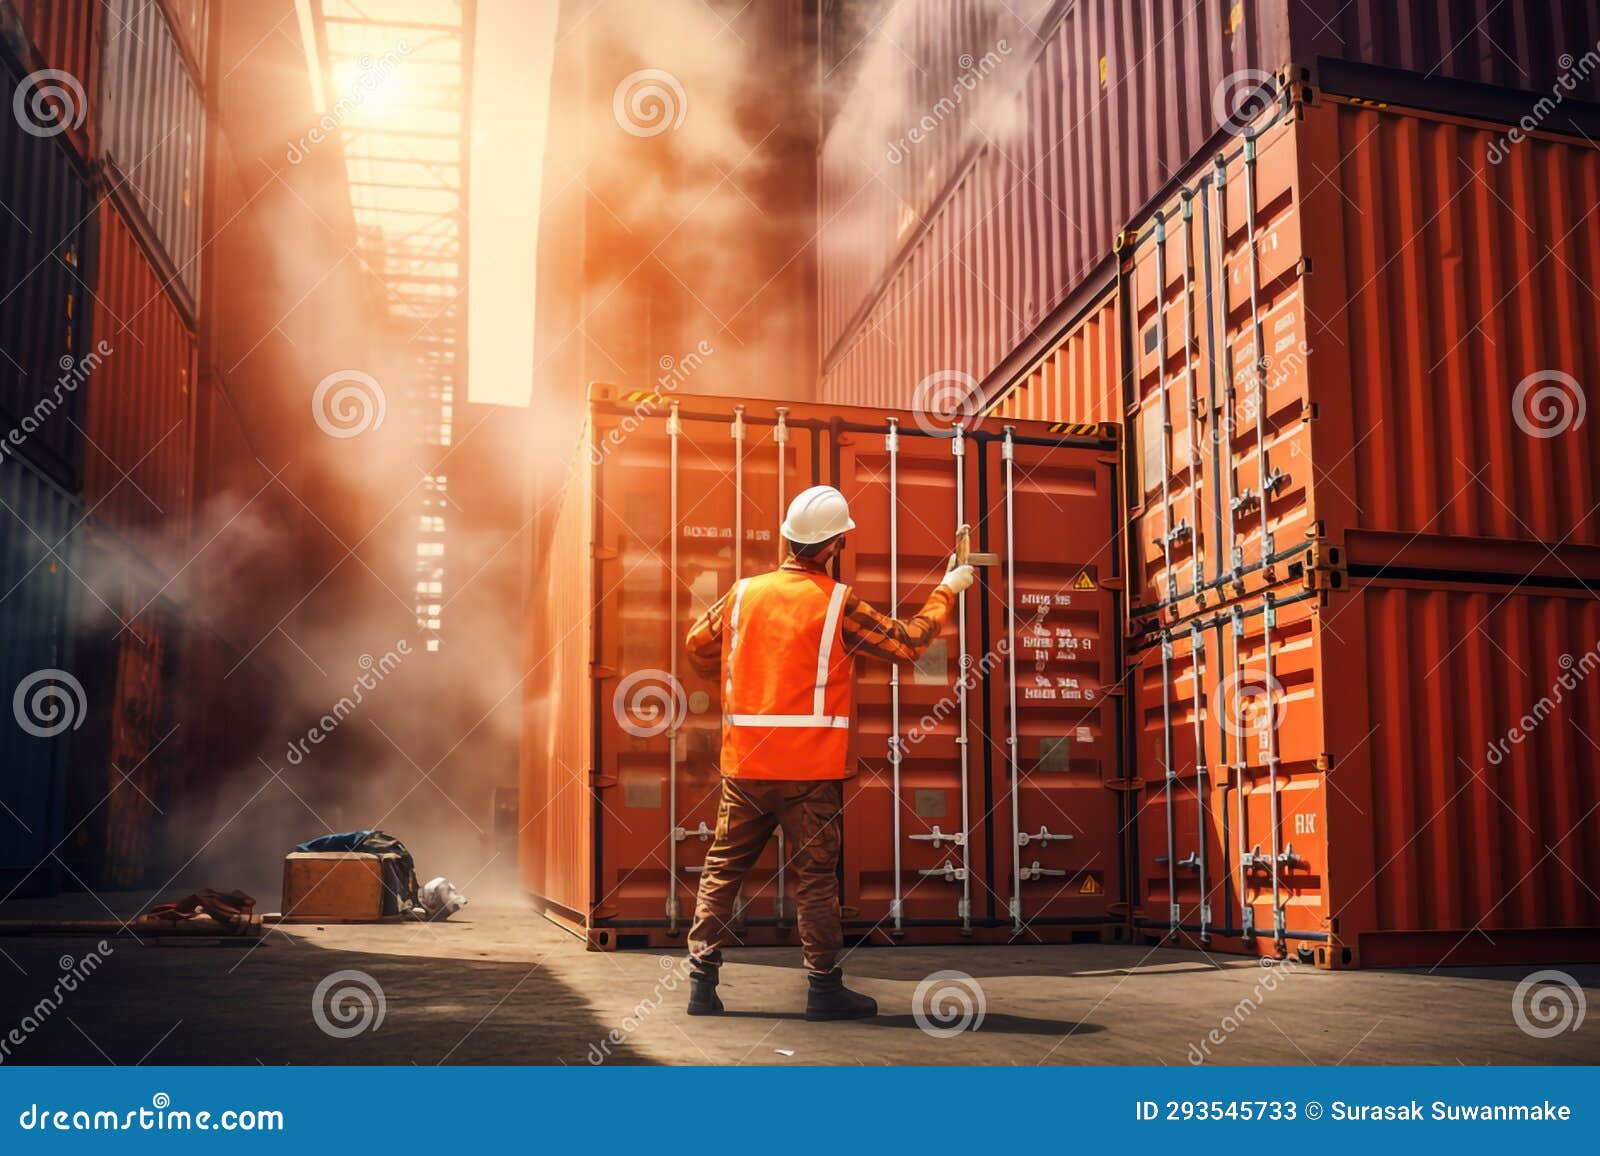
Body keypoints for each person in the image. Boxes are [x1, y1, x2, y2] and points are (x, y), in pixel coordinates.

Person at [682, 483, 976, 1020]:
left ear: (786, 538)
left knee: (722, 869)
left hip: (744, 766)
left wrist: (732, 675)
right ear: (836, 543)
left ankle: (701, 985)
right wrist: (949, 587)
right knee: (815, 879)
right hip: (811, 773)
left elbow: (696, 645)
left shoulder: (743, 594)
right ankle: (822, 990)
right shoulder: (839, 603)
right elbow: (908, 642)